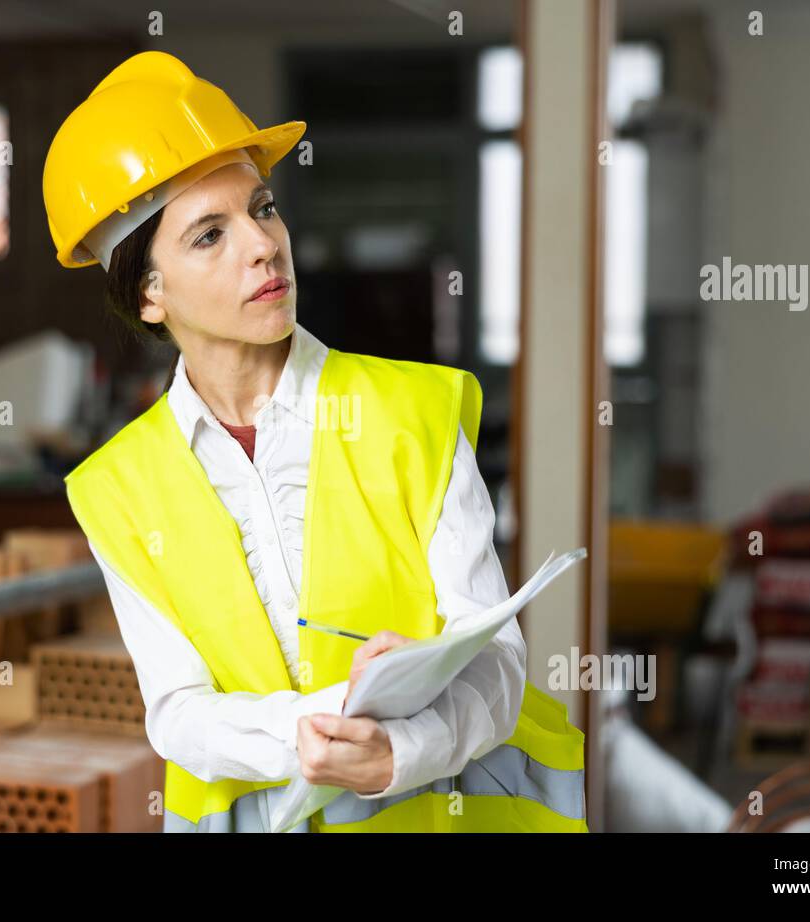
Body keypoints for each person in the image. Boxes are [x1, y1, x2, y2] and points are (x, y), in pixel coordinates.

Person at [44, 50, 586, 832]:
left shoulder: (413, 412)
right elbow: (178, 711)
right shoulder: (117, 488)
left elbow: (498, 668)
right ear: (148, 293)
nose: (262, 246)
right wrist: (313, 731)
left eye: (263, 208)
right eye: (209, 236)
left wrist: (403, 751)